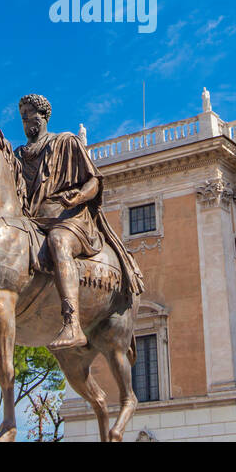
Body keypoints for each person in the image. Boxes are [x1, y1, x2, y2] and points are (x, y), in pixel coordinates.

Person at [14, 93, 143, 349]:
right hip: (34, 220)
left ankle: (72, 322)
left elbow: (94, 181)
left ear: (43, 116)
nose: (26, 119)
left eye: (30, 113)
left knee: (58, 242)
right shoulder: (19, 155)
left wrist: (79, 197)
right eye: (22, 115)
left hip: (70, 218)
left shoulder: (67, 142)